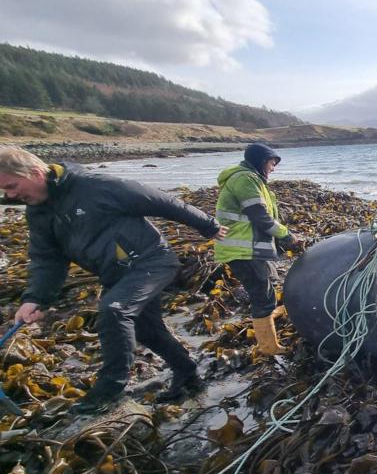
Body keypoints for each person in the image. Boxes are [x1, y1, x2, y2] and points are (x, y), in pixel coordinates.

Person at [0, 146, 228, 414]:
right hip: (116, 274)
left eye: (12, 186)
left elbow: (158, 200)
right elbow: (47, 259)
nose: (10, 195)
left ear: (36, 173)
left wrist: (207, 225)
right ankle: (186, 370)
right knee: (146, 330)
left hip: (152, 261)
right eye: (5, 191)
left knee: (114, 310)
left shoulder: (93, 186)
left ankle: (110, 388)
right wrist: (35, 298)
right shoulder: (38, 212)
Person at [214, 143, 301, 358]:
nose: (274, 167)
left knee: (268, 286)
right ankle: (268, 347)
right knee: (262, 297)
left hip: (251, 249)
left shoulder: (252, 179)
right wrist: (287, 236)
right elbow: (261, 217)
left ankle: (269, 325)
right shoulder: (245, 179)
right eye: (272, 162)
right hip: (243, 250)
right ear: (261, 161)